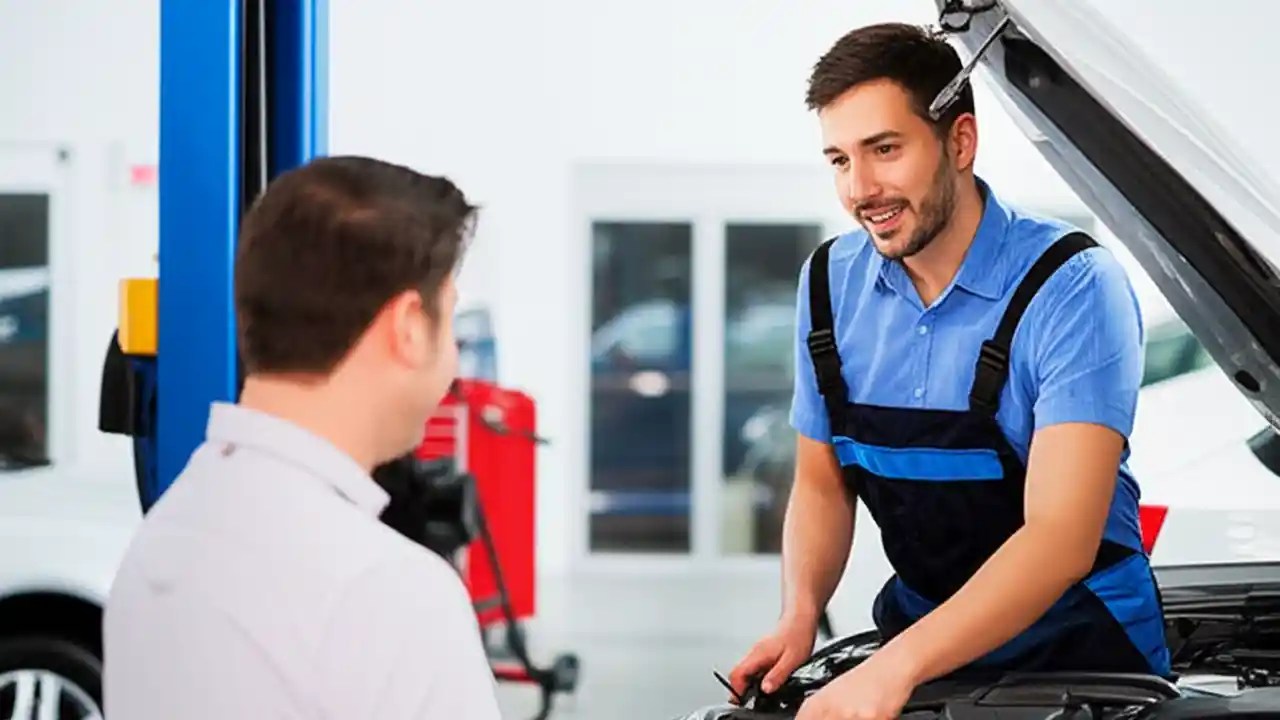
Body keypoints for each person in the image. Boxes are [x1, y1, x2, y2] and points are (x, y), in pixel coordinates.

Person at [728, 22, 1170, 720]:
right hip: (931, 652)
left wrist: (892, 670)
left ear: (959, 141)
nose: (860, 188)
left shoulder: (1071, 287)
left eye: (884, 149)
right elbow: (820, 482)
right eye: (839, 159)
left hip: (1085, 658)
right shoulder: (826, 288)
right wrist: (799, 617)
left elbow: (1061, 538)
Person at [103, 156, 503, 719]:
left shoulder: (162, 540)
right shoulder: (393, 595)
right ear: (409, 325)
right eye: (450, 321)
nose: (455, 360)